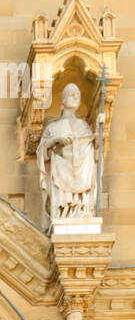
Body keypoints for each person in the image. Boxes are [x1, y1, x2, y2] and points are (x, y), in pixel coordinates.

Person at [37, 83, 97, 225]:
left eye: (77, 94)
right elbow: (41, 152)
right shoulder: (53, 127)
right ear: (62, 100)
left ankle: (82, 208)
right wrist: (56, 140)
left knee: (88, 155)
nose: (76, 96)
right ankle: (63, 211)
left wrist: (98, 132)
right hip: (60, 170)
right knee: (57, 161)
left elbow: (92, 149)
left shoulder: (84, 126)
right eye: (71, 93)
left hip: (82, 170)